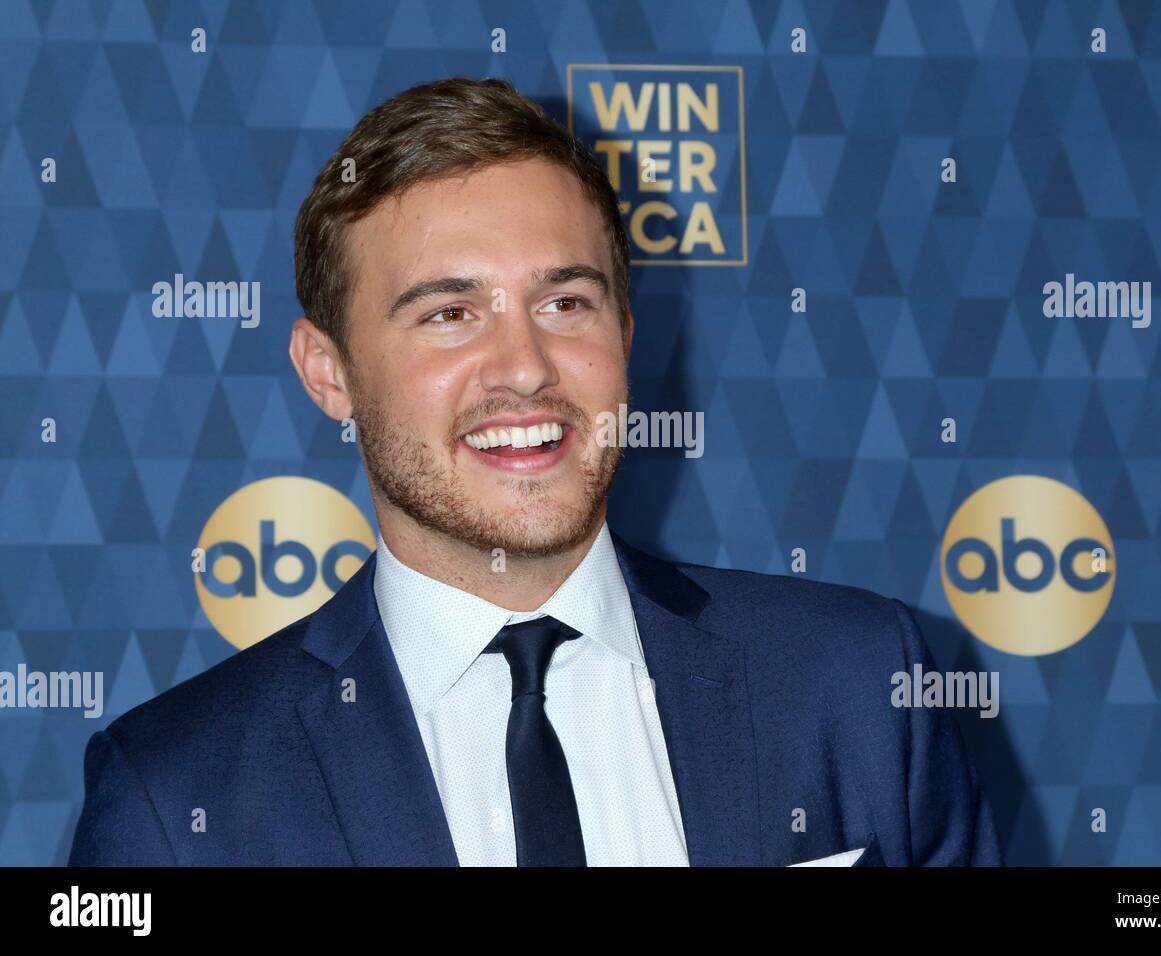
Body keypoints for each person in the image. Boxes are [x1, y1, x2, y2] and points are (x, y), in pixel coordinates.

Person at [68, 77, 1001, 867]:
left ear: (625, 337)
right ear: (328, 373)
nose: (525, 367)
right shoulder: (175, 797)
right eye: (449, 313)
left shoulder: (858, 685)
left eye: (565, 301)